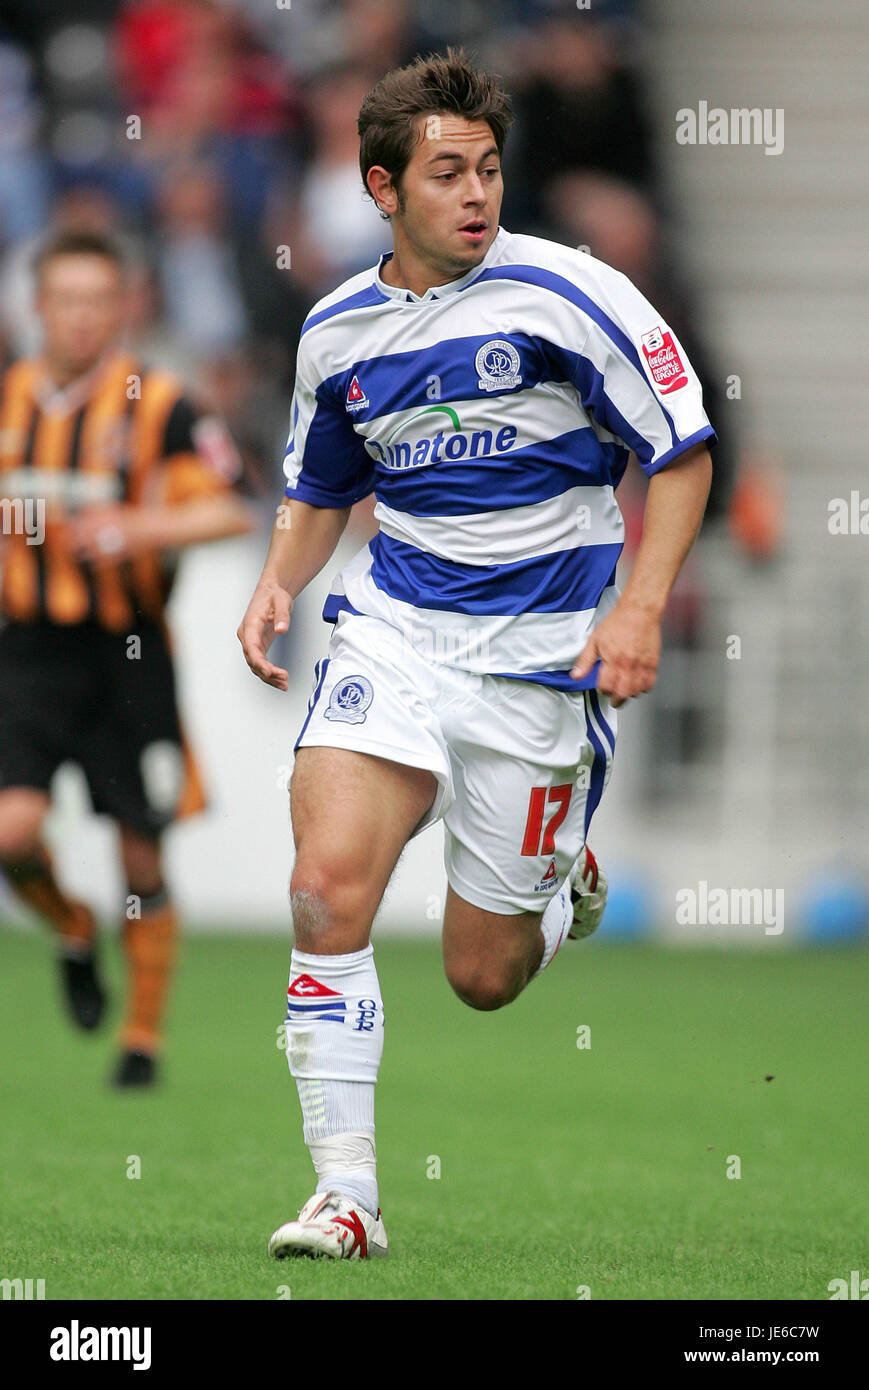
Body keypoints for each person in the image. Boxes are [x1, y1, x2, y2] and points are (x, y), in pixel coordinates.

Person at [238, 49, 714, 1260]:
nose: (475, 193)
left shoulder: (572, 294)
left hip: (539, 665)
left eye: (489, 168)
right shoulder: (336, 331)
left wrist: (640, 608)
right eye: (446, 172)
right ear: (379, 188)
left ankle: (560, 879)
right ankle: (346, 1197)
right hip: (391, 637)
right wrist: (276, 583)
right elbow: (319, 487)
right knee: (322, 887)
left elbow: (681, 450)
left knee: (483, 976)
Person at [0, 229, 253, 1087]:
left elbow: (236, 507)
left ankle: (143, 1039)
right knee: (12, 833)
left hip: (130, 652)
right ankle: (73, 926)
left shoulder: (163, 404)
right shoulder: (7, 400)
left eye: (97, 300)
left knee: (141, 858)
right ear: (38, 306)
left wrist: (141, 526)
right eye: (64, 299)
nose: (80, 317)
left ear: (122, 307)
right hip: (27, 652)